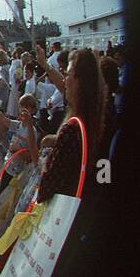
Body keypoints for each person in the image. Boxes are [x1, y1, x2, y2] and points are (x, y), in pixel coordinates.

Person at [32, 45, 108, 201]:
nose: (64, 78)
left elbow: (46, 188)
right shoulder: (98, 117)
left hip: (65, 212)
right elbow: (103, 171)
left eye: (67, 73)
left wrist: (42, 161)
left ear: (81, 81)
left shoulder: (71, 131)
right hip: (85, 204)